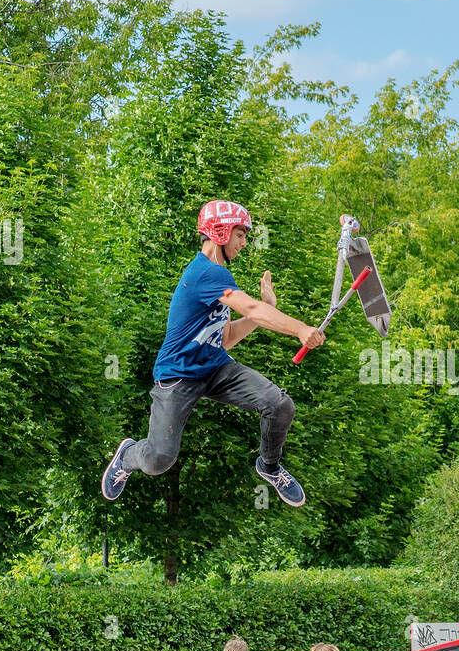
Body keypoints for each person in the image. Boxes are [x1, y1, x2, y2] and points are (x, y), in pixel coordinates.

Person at [101, 200, 325, 507]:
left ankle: (269, 466)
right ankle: (128, 455)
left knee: (279, 404)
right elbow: (252, 308)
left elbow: (227, 336)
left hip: (215, 368)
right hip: (178, 376)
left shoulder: (220, 278)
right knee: (158, 461)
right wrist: (299, 328)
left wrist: (267, 310)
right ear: (220, 232)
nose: (245, 243)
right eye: (240, 234)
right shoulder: (205, 273)